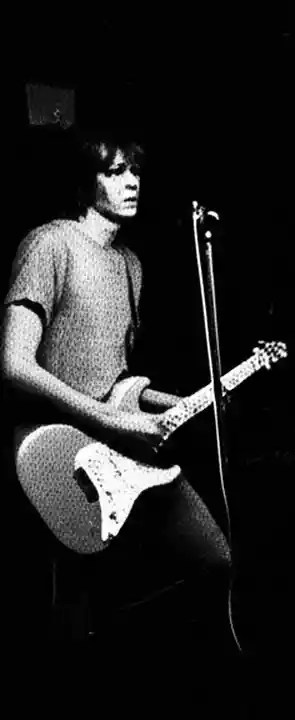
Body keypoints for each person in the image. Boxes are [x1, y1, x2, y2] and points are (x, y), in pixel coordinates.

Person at [2, 128, 233, 711]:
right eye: (115, 171)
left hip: (117, 450)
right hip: (58, 452)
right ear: (87, 182)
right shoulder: (50, 243)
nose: (132, 183)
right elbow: (14, 364)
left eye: (136, 171)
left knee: (214, 561)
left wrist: (182, 400)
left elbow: (118, 379)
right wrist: (110, 421)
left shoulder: (130, 264)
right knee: (73, 607)